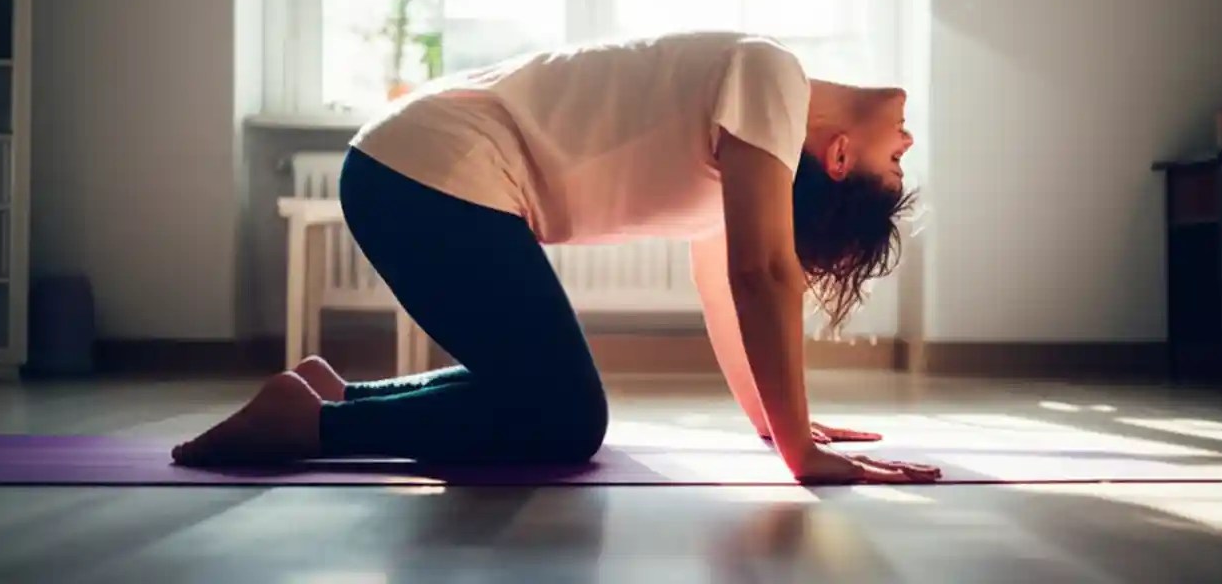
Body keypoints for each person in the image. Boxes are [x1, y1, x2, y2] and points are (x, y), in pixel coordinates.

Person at [172, 31, 940, 484]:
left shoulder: (747, 142)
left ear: (839, 159)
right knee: (568, 417)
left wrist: (777, 428)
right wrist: (802, 447)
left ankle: (334, 400)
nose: (906, 147)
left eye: (897, 164)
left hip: (413, 172)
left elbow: (725, 287)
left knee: (549, 401)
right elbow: (761, 274)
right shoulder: (771, 77)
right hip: (424, 171)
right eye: (901, 163)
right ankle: (310, 429)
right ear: (835, 155)